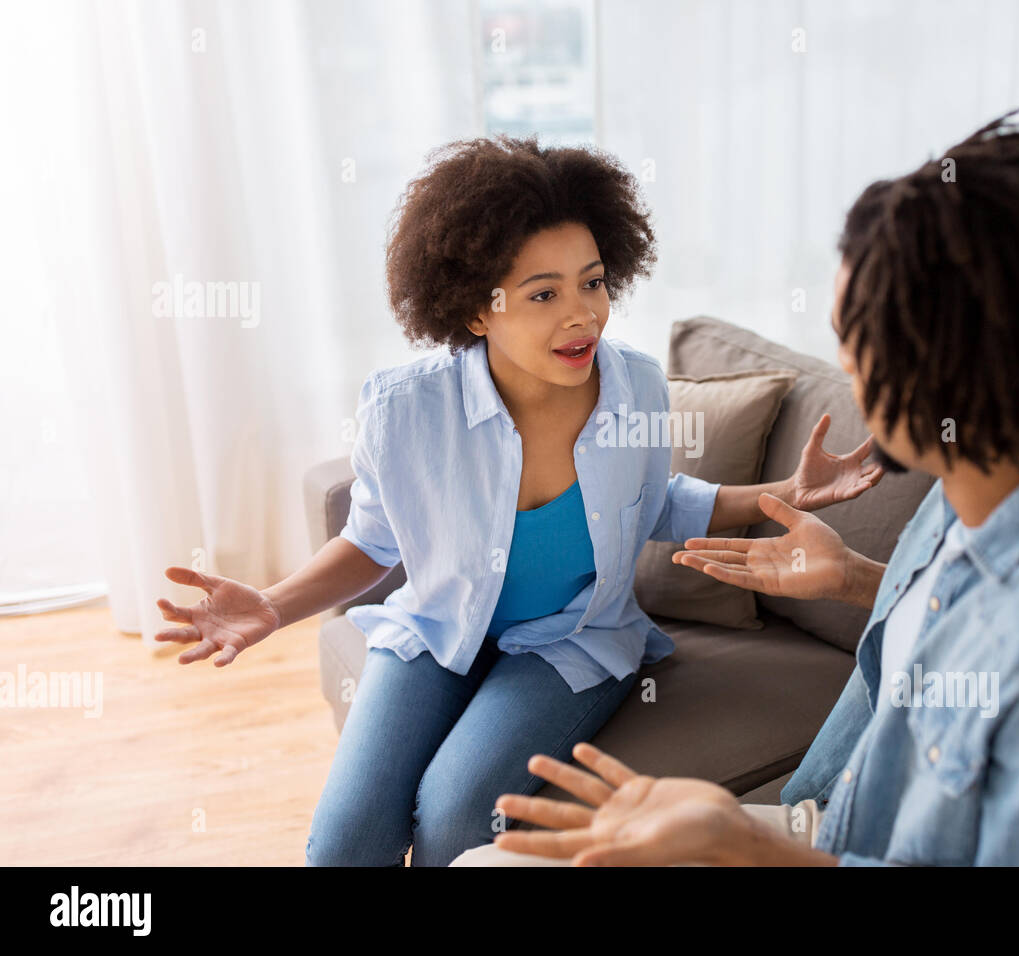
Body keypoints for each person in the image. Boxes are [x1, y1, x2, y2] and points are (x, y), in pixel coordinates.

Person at [459, 108, 1019, 866]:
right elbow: (979, 620)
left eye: (858, 339)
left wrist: (747, 848)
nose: (846, 369)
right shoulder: (1015, 459)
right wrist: (858, 579)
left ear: (964, 372)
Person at [153, 135, 881, 866]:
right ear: (476, 310)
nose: (582, 315)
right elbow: (376, 542)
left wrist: (786, 493)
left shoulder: (637, 387)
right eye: (544, 294)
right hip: (437, 629)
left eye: (592, 283)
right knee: (347, 840)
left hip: (574, 643)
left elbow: (651, 502)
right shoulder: (406, 411)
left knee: (456, 816)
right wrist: (275, 606)